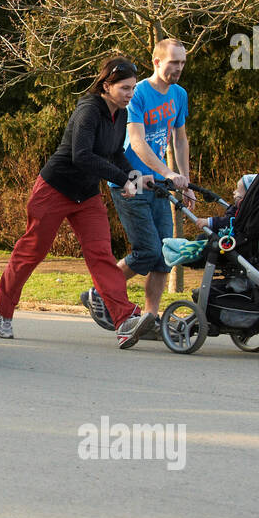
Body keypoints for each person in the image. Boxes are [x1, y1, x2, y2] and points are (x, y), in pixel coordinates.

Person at [0, 56, 155, 348]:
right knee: (31, 252)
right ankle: (1, 309)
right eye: (126, 88)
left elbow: (116, 153)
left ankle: (125, 320)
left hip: (87, 194)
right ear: (107, 85)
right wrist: (123, 179)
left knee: (101, 253)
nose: (131, 94)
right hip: (55, 188)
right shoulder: (89, 110)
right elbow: (83, 155)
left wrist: (135, 176)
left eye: (133, 89)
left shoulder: (120, 115)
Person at [83, 38, 193, 342]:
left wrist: (184, 179)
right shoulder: (138, 92)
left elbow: (179, 139)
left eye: (182, 62)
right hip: (129, 180)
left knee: (164, 256)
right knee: (147, 251)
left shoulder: (179, 95)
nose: (179, 68)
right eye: (174, 62)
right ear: (157, 62)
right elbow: (138, 141)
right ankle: (100, 291)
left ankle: (149, 318)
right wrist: (167, 172)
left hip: (158, 184)